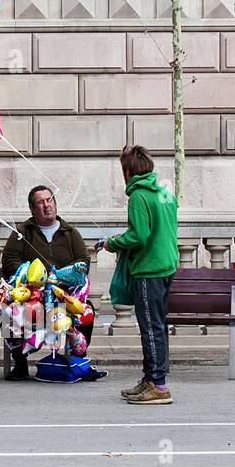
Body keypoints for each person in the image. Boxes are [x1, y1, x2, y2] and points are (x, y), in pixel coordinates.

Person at [94, 145, 179, 405]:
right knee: (157, 326)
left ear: (128, 170)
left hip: (148, 269)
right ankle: (150, 380)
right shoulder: (164, 192)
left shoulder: (139, 196)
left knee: (150, 328)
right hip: (166, 266)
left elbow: (138, 236)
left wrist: (113, 243)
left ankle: (159, 385)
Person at [0, 186, 103, 381]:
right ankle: (20, 364)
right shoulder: (22, 232)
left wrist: (61, 277)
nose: (47, 205)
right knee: (9, 310)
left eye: (50, 200)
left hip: (64, 293)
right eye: (41, 202)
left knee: (86, 309)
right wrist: (32, 276)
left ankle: (78, 360)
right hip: (32, 293)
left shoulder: (70, 232)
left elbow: (83, 262)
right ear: (32, 208)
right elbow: (9, 262)